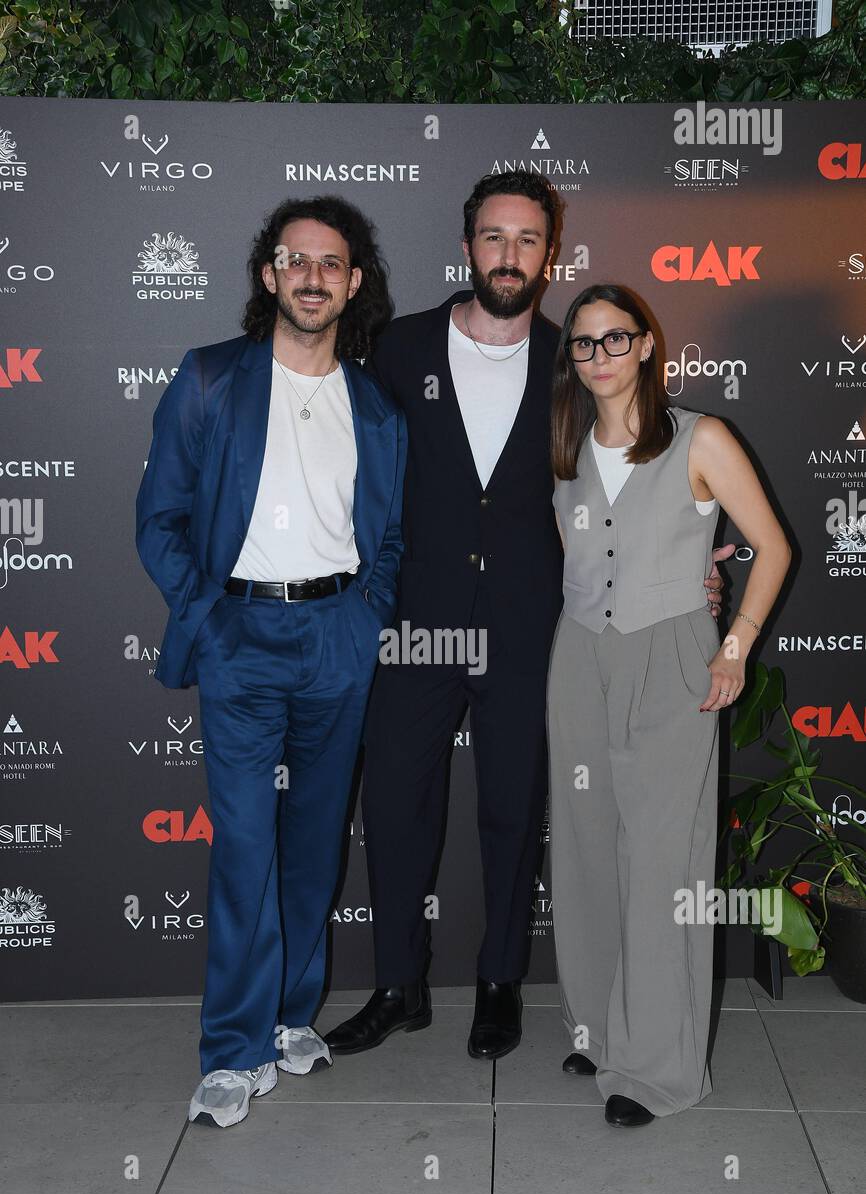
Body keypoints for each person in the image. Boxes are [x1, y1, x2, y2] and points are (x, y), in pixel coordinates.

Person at [325, 173, 730, 1062]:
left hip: (530, 628)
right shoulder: (397, 350)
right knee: (395, 807)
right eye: (494, 237)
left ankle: (501, 983)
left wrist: (689, 560)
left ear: (553, 253)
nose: (510, 256)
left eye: (528, 240)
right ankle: (398, 986)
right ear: (467, 243)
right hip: (415, 627)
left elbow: (636, 469)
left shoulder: (575, 361)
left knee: (513, 810)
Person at [135, 196, 406, 1128]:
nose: (313, 277)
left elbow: (391, 536)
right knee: (246, 849)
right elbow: (158, 518)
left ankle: (291, 1016)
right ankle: (231, 1049)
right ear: (269, 274)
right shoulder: (211, 378)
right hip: (240, 640)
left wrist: (369, 616)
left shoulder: (374, 406)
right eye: (297, 260)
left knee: (312, 847)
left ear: (354, 282)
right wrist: (208, 618)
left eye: (332, 264)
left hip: (338, 636)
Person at [548, 283, 791, 1126]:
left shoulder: (701, 438)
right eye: (584, 344)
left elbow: (776, 546)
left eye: (617, 339)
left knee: (661, 863)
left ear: (649, 345)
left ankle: (655, 1069)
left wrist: (735, 642)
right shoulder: (568, 439)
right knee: (583, 850)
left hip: (674, 656)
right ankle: (596, 1025)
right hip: (579, 655)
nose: (600, 357)